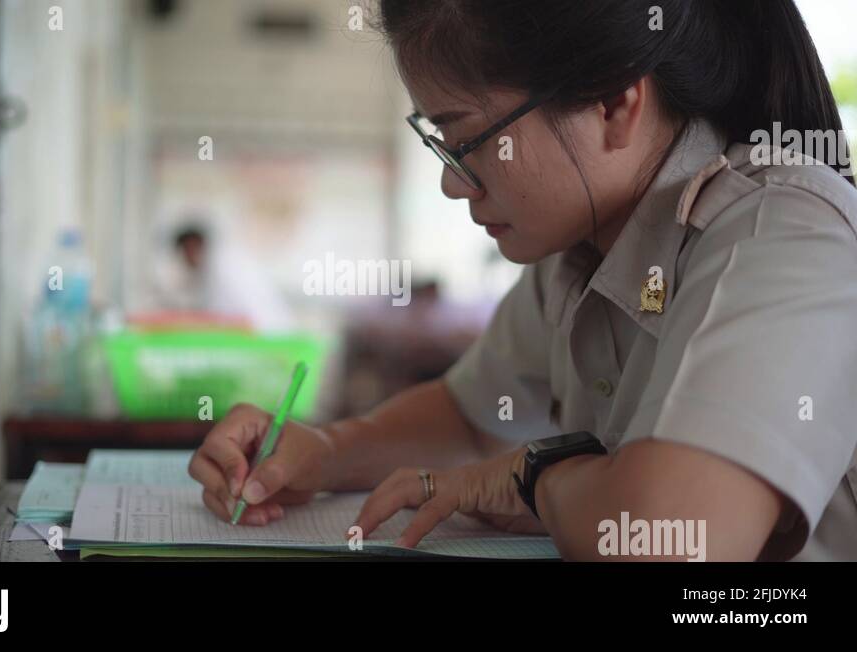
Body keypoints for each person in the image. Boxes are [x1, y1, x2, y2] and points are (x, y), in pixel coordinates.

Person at [188, 0, 857, 560]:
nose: (453, 183)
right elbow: (473, 418)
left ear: (613, 104)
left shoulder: (786, 230)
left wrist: (534, 477)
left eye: (467, 139)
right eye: (438, 141)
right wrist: (324, 451)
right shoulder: (582, 254)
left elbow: (671, 538)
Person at [153, 223, 295, 332]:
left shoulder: (223, 267)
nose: (185, 262)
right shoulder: (220, 263)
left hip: (267, 335)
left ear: (192, 247)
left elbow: (231, 318)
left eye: (183, 254)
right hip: (267, 332)